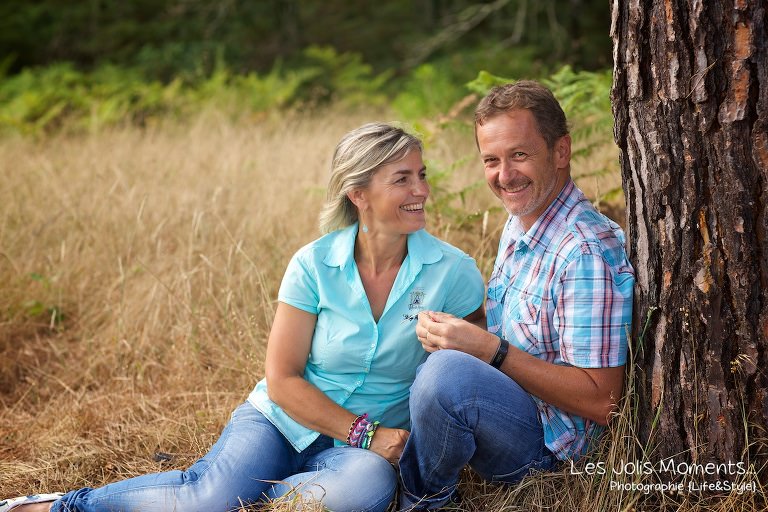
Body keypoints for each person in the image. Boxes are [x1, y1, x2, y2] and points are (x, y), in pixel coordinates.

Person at [2, 123, 485, 512]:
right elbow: (282, 379)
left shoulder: (454, 272)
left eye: (421, 174)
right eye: (402, 178)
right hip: (282, 421)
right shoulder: (313, 265)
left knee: (365, 491)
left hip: (361, 456)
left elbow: (466, 376)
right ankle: (60, 507)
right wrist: (369, 433)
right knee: (207, 497)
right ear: (357, 193)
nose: (421, 189)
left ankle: (245, 497)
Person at [397, 81, 635, 510]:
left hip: (554, 453)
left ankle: (422, 501)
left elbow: (605, 401)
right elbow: (521, 329)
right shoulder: (523, 217)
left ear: (560, 152)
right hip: (518, 409)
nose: (504, 176)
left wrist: (489, 350)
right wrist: (462, 334)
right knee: (434, 356)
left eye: (519, 155)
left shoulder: (584, 251)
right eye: (492, 160)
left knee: (443, 376)